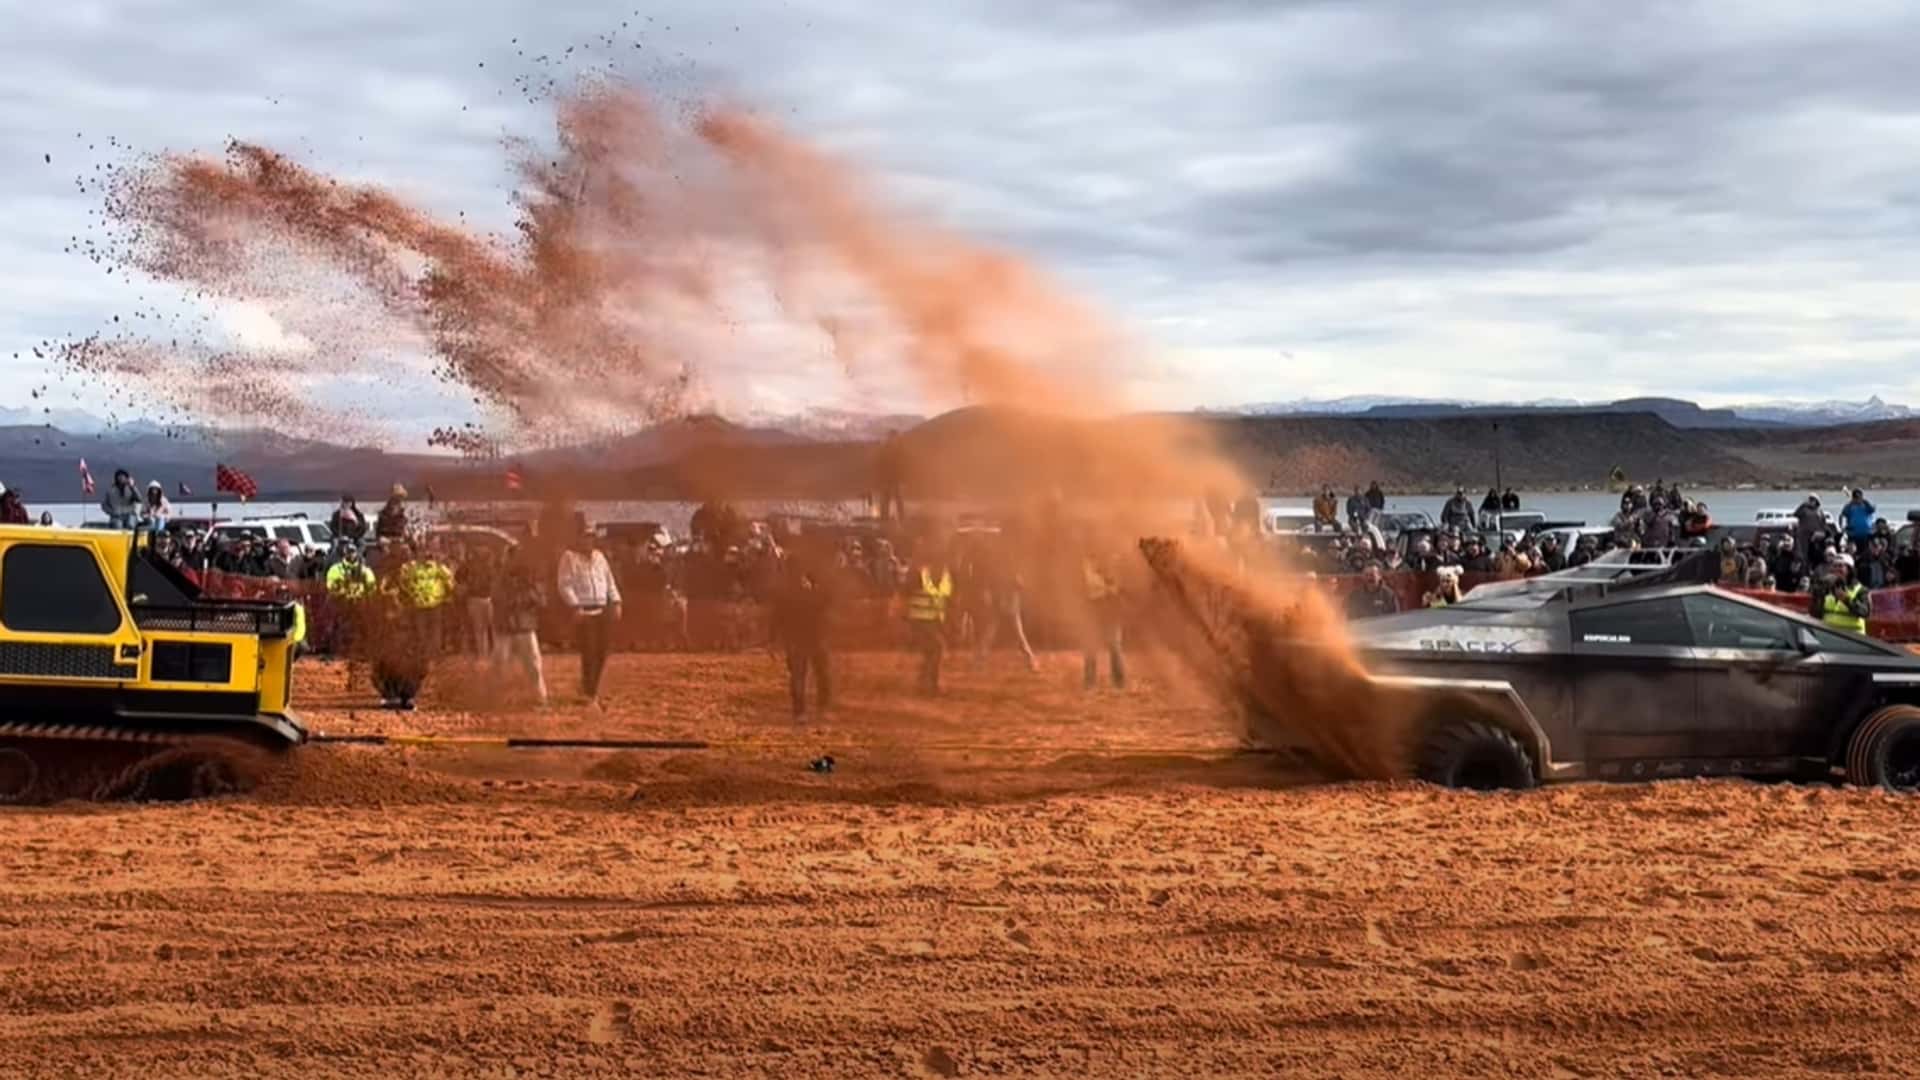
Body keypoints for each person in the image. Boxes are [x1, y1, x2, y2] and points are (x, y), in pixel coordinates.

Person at [556, 518, 622, 705]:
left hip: (602, 609)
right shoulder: (569, 557)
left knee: (602, 651)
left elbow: (609, 581)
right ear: (578, 538)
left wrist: (616, 601)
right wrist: (575, 605)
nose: (588, 541)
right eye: (585, 537)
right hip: (584, 611)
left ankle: (591, 688)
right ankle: (589, 693)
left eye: (591, 537)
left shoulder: (600, 557)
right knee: (589, 652)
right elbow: (565, 584)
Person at [770, 559, 833, 719]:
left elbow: (776, 619)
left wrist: (773, 640)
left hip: (800, 639)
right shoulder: (808, 591)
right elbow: (823, 607)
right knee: (819, 673)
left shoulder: (784, 593)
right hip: (812, 638)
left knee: (800, 676)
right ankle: (820, 709)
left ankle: (801, 712)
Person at [493, 551, 548, 708]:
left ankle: (540, 698)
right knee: (500, 664)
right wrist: (522, 599)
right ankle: (496, 698)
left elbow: (542, 600)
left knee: (534, 665)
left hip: (525, 626)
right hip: (506, 627)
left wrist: (527, 596)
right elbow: (498, 599)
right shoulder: (501, 578)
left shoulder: (529, 578)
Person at [905, 553, 953, 695]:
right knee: (937, 648)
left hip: (932, 619)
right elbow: (905, 594)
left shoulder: (945, 576)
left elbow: (944, 599)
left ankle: (924, 682)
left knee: (931, 651)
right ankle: (930, 684)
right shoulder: (919, 574)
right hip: (919, 619)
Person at [1081, 552, 1126, 690]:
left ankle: (1118, 682)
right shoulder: (1087, 560)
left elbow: (1116, 585)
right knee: (1091, 644)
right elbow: (1089, 583)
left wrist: (1110, 588)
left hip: (1107, 604)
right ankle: (1090, 682)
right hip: (1095, 603)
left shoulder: (1111, 559)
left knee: (1113, 644)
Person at [1810, 554, 1871, 635]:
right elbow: (1815, 613)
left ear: (1849, 569)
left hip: (1854, 640)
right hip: (1829, 637)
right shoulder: (1826, 587)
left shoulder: (1861, 589)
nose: (1837, 569)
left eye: (1840, 566)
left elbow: (1865, 612)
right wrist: (1818, 593)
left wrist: (1846, 600)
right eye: (1834, 566)